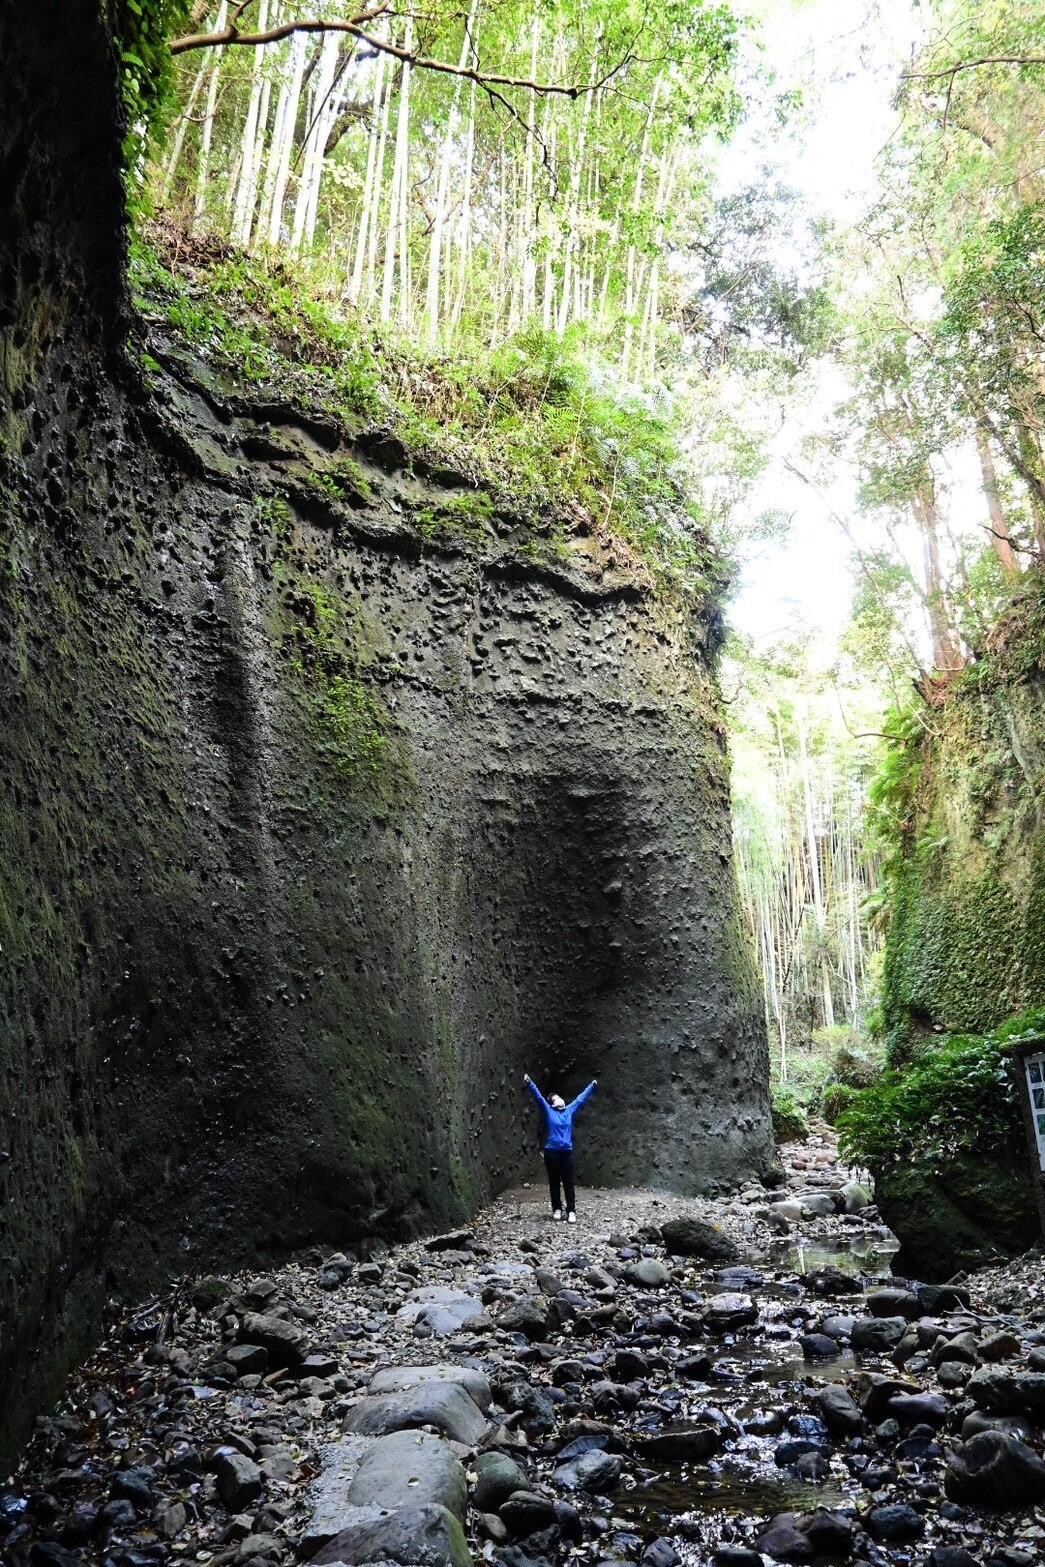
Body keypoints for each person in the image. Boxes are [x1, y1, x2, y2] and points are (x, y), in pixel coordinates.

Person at [523, 1072, 597, 1223]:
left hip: (566, 1153)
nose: (559, 1098)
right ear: (552, 1103)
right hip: (551, 1153)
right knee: (554, 1182)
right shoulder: (549, 1111)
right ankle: (557, 1208)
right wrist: (529, 1082)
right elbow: (538, 1097)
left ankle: (571, 1211)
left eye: (559, 1096)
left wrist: (592, 1085)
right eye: (555, 1098)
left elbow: (581, 1098)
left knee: (568, 1182)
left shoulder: (570, 1110)